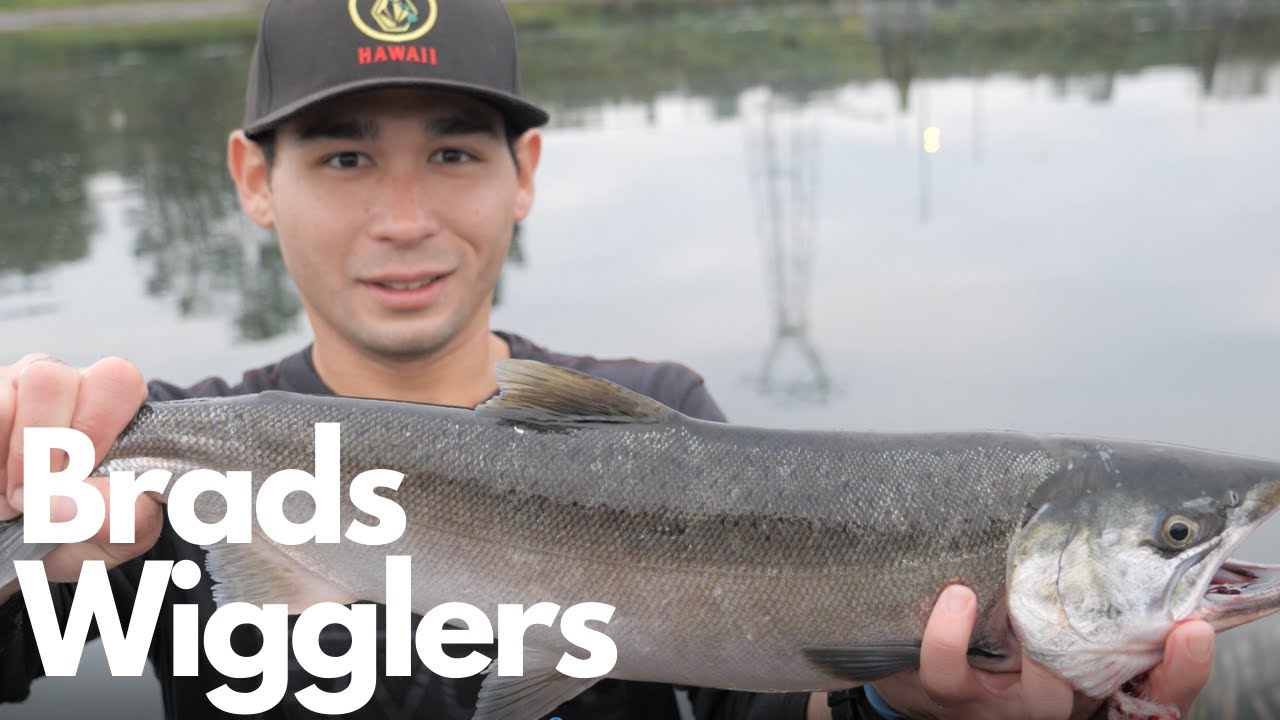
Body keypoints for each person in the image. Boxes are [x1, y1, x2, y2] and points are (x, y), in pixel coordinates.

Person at [0, 0, 1216, 718]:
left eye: (457, 153)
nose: (405, 215)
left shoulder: (663, 416)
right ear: (254, 181)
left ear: (525, 173)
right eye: (345, 157)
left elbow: (776, 697)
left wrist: (909, 704)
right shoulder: (156, 469)